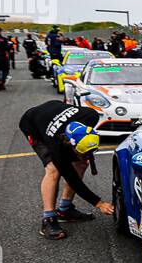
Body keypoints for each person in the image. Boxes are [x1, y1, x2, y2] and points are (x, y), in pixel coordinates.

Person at [18, 101, 114, 240]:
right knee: (54, 170)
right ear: (69, 143)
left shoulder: (91, 116)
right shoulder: (56, 146)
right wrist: (98, 203)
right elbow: (71, 178)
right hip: (32, 123)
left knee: (81, 163)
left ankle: (65, 209)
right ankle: (48, 218)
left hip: (55, 110)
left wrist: (86, 154)